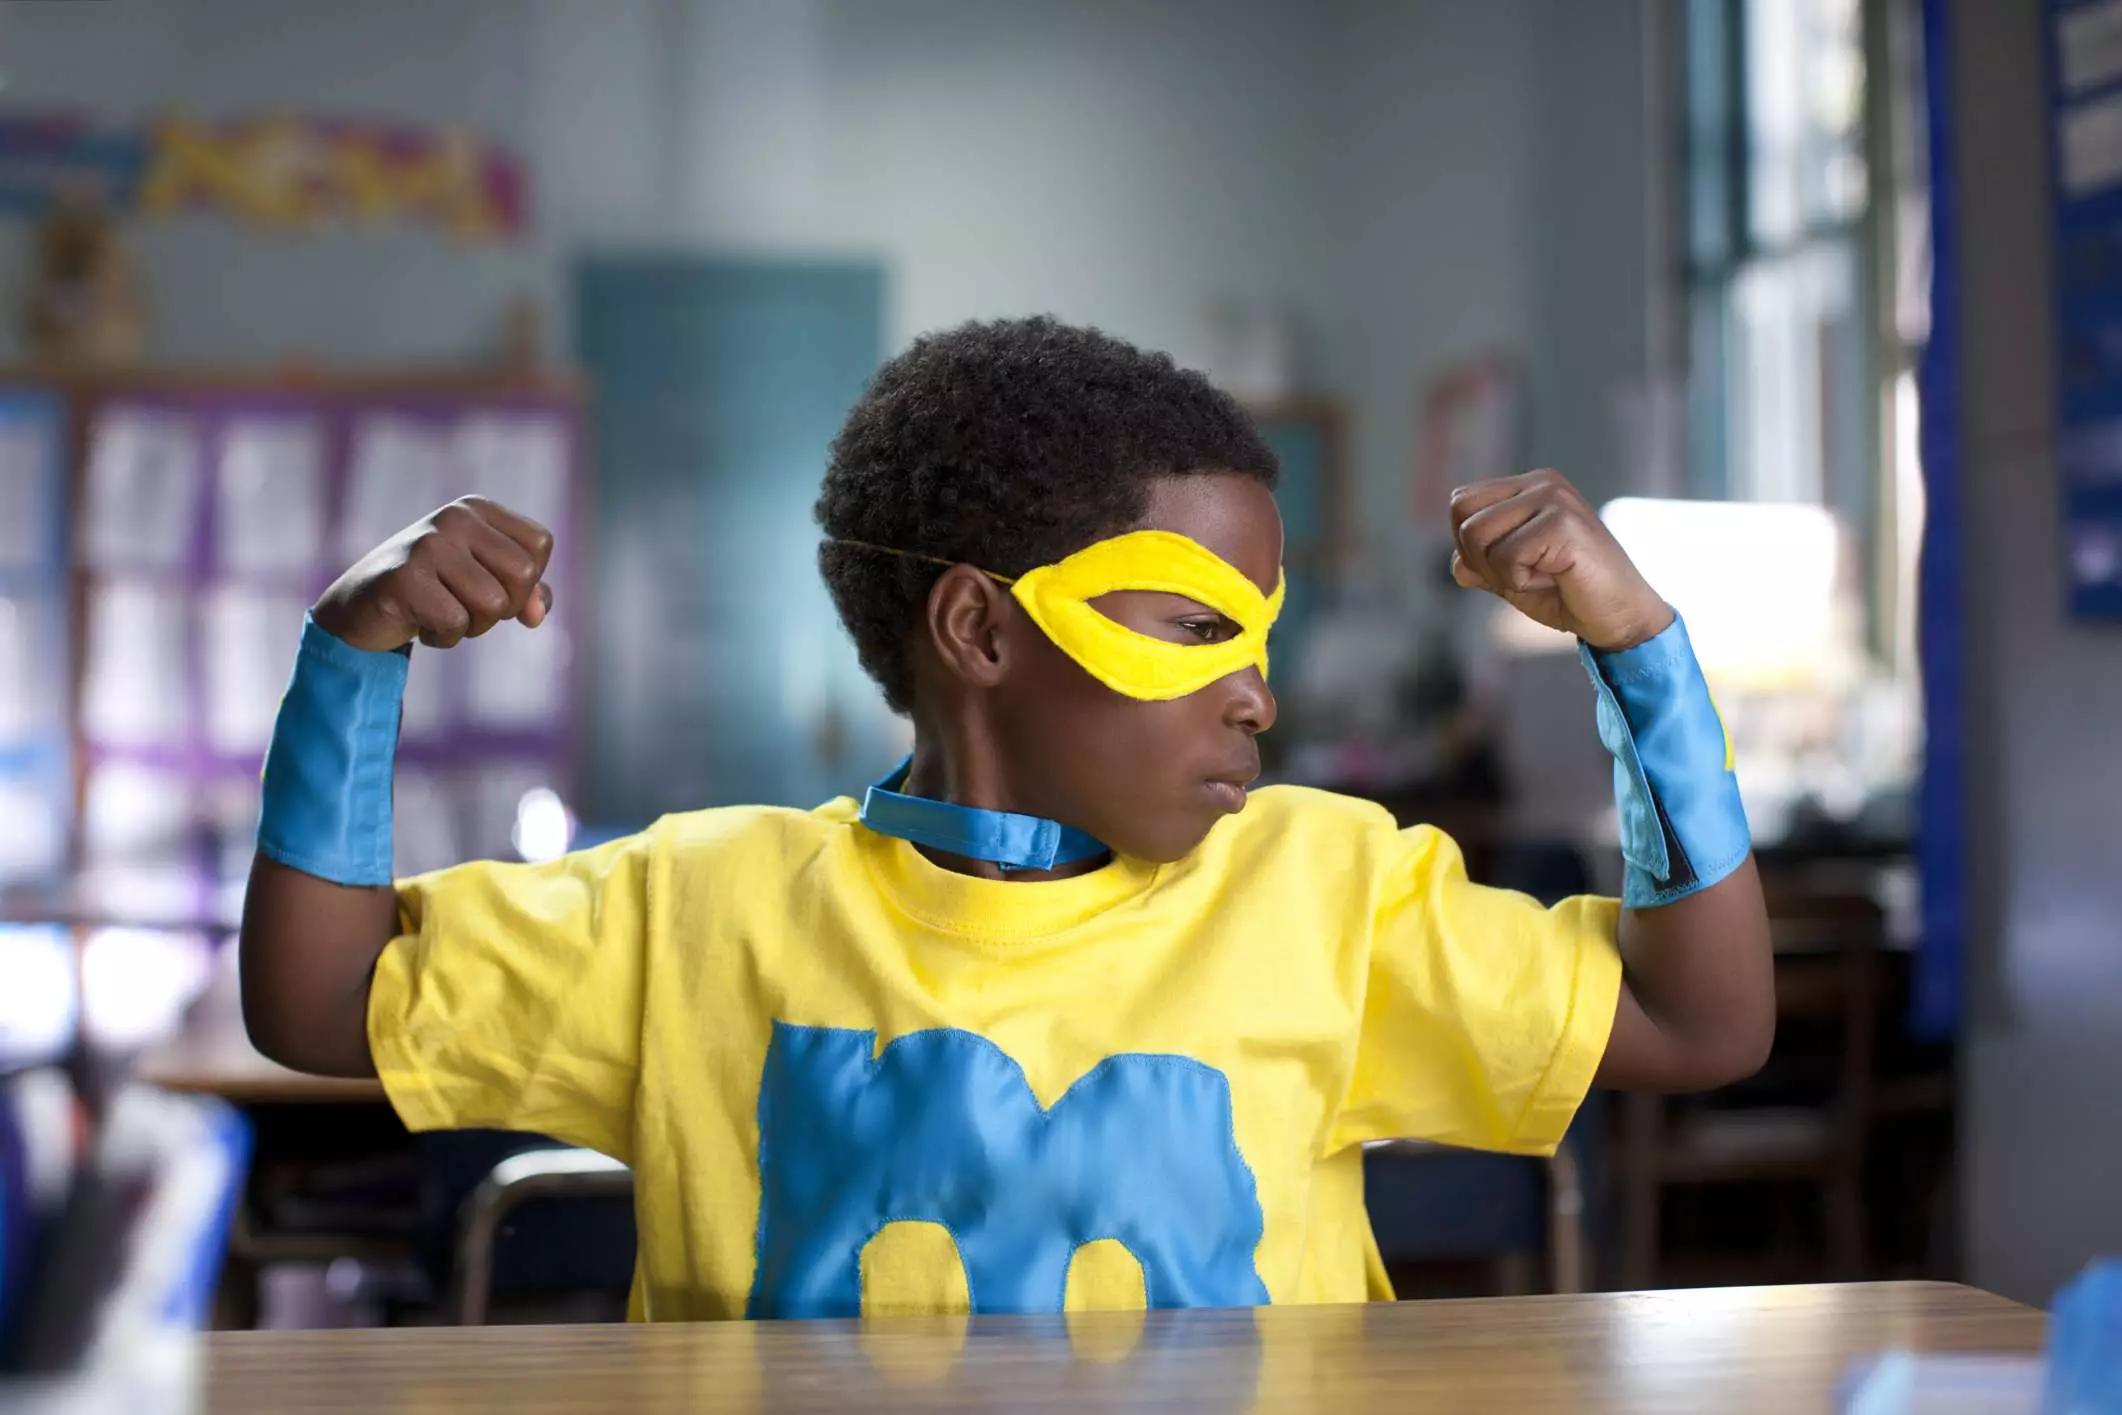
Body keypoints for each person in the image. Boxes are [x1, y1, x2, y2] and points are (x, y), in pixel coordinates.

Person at [239, 317, 1771, 1322]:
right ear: (978, 631)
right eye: (1188, 625)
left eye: (1262, 636)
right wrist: (351, 657)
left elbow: (1699, 1029)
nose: (1253, 694)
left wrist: (1636, 648)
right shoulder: (694, 908)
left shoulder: (1327, 891)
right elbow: (317, 1002)